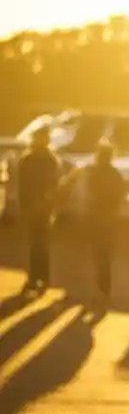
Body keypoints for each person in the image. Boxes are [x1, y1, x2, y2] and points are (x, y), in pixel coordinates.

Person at [16, 125, 61, 295]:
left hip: (41, 207)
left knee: (39, 244)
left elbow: (53, 185)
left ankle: (38, 277)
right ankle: (39, 277)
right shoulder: (39, 159)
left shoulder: (44, 159)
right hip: (39, 206)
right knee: (38, 244)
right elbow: (23, 185)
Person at [83, 142, 127, 300]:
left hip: (97, 216)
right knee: (106, 253)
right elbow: (121, 195)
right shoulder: (115, 175)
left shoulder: (96, 174)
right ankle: (105, 285)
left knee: (98, 253)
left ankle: (101, 284)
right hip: (109, 217)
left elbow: (90, 194)